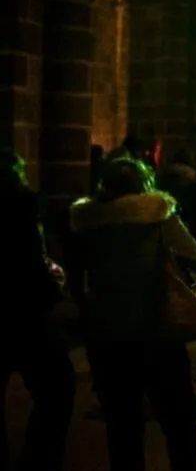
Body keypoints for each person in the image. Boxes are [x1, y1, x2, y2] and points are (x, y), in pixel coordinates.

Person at [67, 157, 196, 471]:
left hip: (107, 333)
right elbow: (195, 254)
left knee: (122, 421)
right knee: (177, 416)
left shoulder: (86, 220)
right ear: (144, 184)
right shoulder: (157, 215)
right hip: (157, 328)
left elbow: (75, 277)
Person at [0, 148, 75, 471]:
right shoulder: (20, 207)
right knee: (57, 389)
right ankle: (40, 461)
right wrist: (52, 284)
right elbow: (28, 261)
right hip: (25, 313)